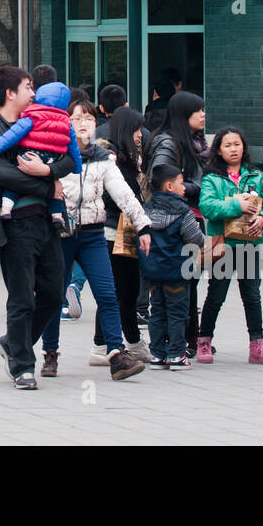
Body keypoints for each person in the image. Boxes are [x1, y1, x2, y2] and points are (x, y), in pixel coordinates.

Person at [37, 99, 149, 381]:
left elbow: (124, 194)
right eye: (77, 118)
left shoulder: (103, 158)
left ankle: (116, 353)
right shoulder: (56, 156)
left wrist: (143, 224)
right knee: (53, 296)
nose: (83, 123)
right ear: (67, 123)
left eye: (88, 118)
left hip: (93, 234)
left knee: (108, 293)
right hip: (60, 233)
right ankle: (50, 353)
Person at [0, 66, 76, 390]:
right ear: (10, 93)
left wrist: (46, 169)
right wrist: (48, 186)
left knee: (52, 293)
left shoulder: (44, 121)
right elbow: (4, 174)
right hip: (13, 224)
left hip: (47, 223)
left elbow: (67, 159)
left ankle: (12, 343)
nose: (34, 94)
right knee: (22, 298)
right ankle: (23, 365)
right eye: (28, 87)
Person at [196, 126, 263, 364]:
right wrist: (237, 205)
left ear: (244, 147)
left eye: (237, 144)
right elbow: (208, 207)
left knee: (252, 297)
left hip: (250, 246)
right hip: (222, 246)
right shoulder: (212, 178)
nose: (233, 149)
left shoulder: (256, 176)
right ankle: (204, 342)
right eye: (227, 145)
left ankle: (257, 346)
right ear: (219, 150)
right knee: (216, 295)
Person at [88, 105, 155, 364]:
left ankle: (134, 342)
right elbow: (111, 196)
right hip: (111, 232)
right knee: (115, 291)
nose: (141, 135)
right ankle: (100, 345)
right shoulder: (110, 157)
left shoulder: (126, 157)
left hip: (126, 232)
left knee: (129, 290)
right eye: (138, 130)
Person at [151, 91, 209, 356]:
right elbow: (161, 178)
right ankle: (175, 343)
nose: (203, 115)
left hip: (190, 217)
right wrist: (191, 187)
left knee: (190, 282)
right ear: (184, 114)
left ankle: (188, 338)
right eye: (198, 110)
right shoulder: (169, 143)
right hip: (174, 222)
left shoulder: (194, 142)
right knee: (175, 286)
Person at [0, 81, 82, 234]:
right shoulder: (67, 122)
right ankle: (57, 216)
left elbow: (13, 135)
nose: (32, 94)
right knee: (55, 191)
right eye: (28, 88)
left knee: (13, 187)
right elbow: (74, 150)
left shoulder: (33, 117)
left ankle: (6, 208)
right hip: (54, 157)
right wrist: (77, 167)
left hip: (31, 154)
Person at [140, 164, 206, 370]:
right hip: (177, 271)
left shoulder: (146, 209)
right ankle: (177, 354)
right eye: (180, 182)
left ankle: (157, 355)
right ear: (169, 186)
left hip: (153, 272)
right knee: (178, 312)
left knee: (157, 311)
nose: (184, 186)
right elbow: (196, 239)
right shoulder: (183, 212)